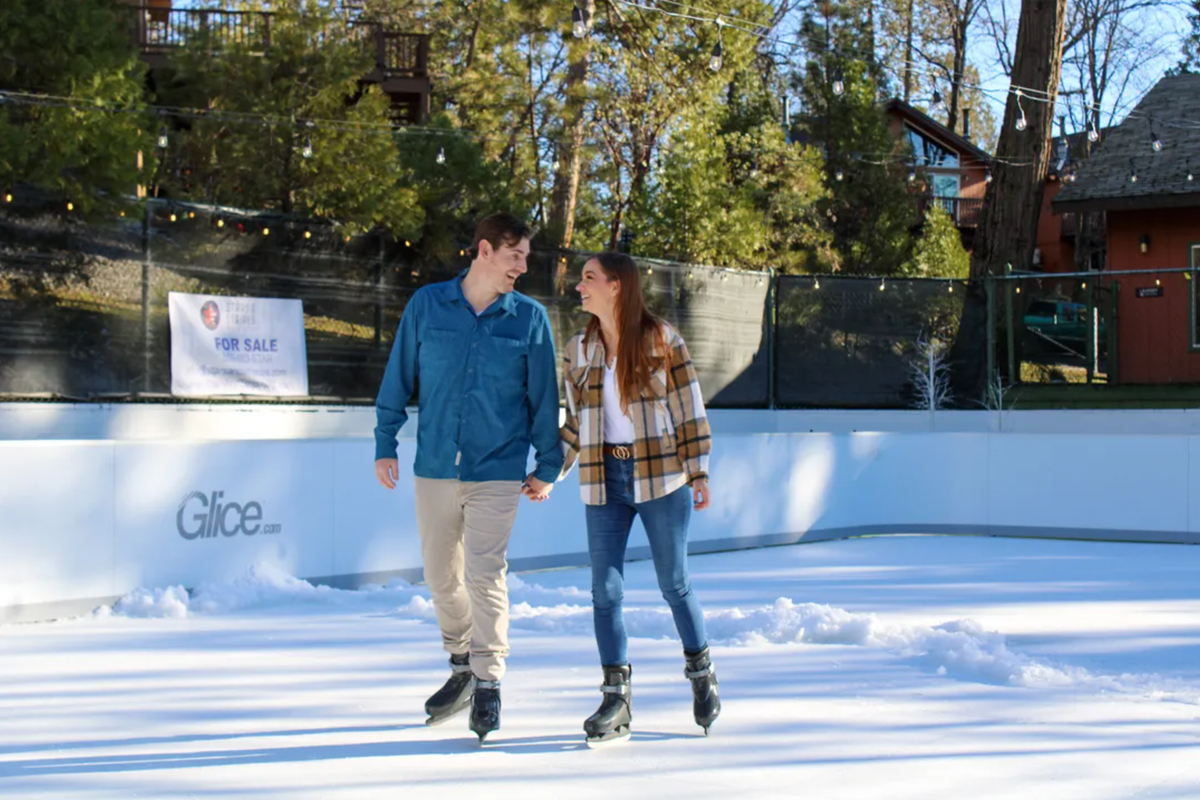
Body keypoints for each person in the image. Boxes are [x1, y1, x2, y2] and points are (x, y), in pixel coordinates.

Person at [374, 212, 562, 742]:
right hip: (434, 464)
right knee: (439, 577)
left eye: (526, 257)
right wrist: (384, 440)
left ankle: (488, 683)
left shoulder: (529, 318)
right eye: (515, 256)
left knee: (485, 575)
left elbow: (544, 398)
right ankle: (460, 663)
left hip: (498, 469)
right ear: (484, 250)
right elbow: (398, 378)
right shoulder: (427, 306)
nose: (523, 267)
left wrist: (547, 465)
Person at [554, 251, 719, 744]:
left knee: (674, 584)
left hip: (662, 477)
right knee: (604, 591)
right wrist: (548, 473)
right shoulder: (577, 349)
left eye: (588, 278)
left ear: (617, 286)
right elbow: (574, 423)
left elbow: (688, 406)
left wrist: (699, 471)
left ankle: (701, 671)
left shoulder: (661, 339)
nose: (579, 286)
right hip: (604, 478)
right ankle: (616, 699)